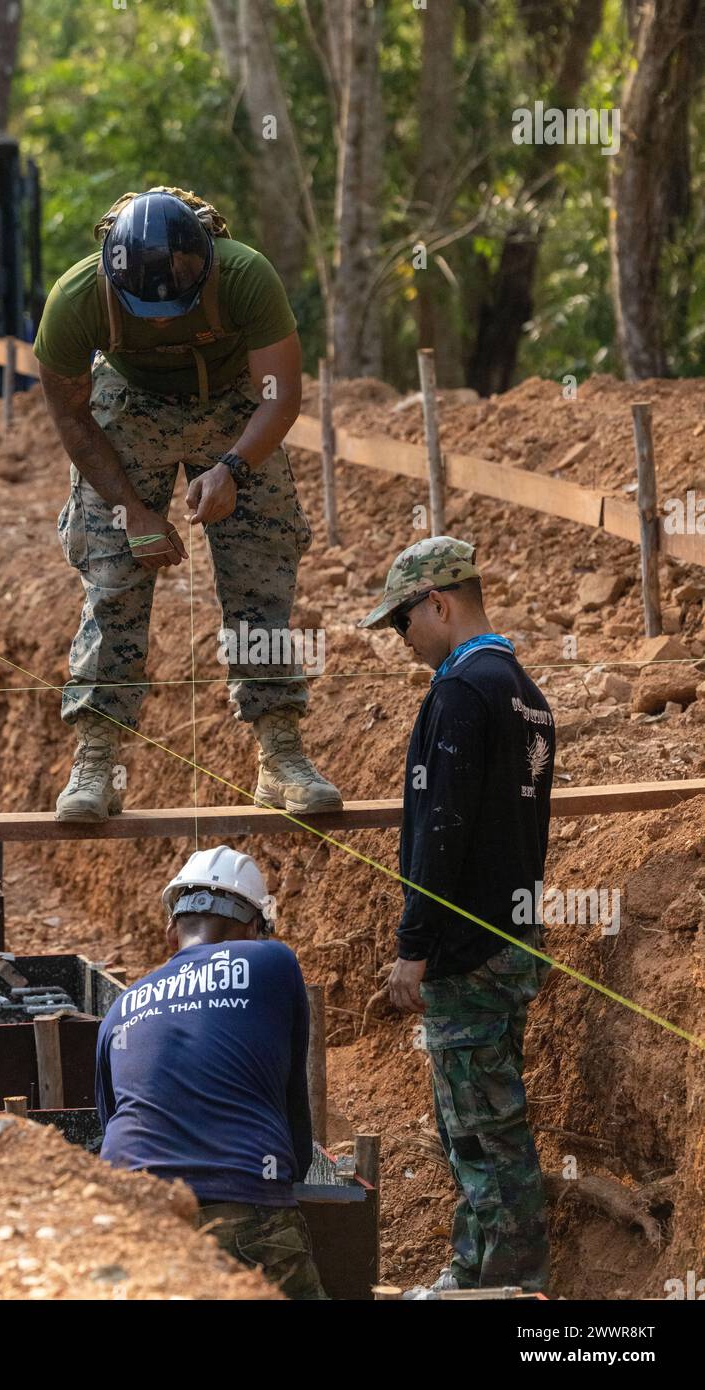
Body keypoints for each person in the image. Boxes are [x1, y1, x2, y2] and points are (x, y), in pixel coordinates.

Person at [33, 186, 342, 821]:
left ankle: (280, 753)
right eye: (145, 308)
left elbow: (279, 397)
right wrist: (133, 512)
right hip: (131, 406)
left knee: (260, 579)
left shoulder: (248, 276)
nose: (161, 320)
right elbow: (72, 419)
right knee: (115, 578)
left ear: (207, 263)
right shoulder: (74, 300)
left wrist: (232, 468)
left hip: (233, 403)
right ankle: (97, 761)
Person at [358, 536, 556, 1295]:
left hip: (466, 949)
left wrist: (413, 947)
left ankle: (505, 1280)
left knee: (479, 1129)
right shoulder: (524, 694)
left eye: (401, 622)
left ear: (437, 603)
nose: (401, 641)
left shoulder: (459, 692)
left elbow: (442, 831)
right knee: (481, 1118)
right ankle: (475, 1269)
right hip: (511, 940)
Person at [95, 844, 327, 1300]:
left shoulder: (120, 1010)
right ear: (251, 927)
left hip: (131, 1218)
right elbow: (292, 1099)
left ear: (171, 930)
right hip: (245, 1207)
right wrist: (290, 1176)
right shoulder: (272, 962)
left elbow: (112, 1126)